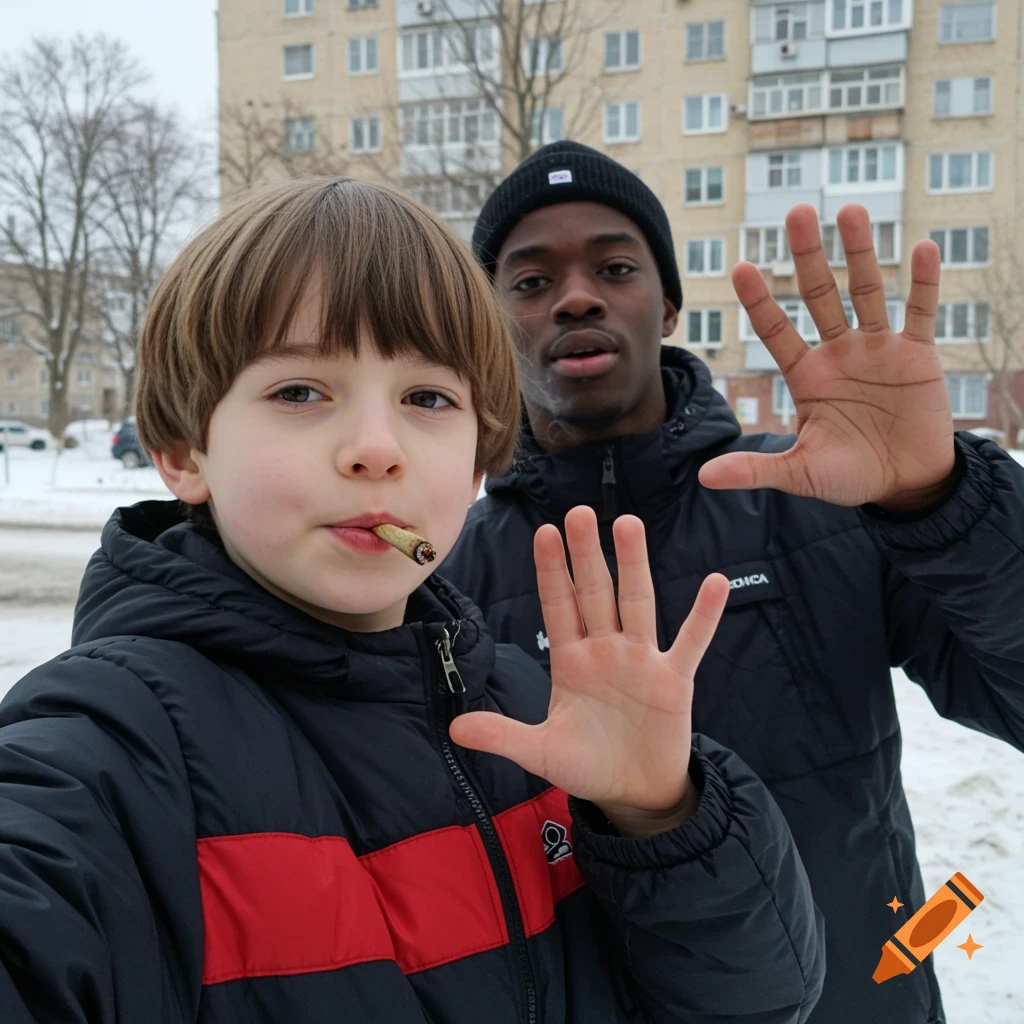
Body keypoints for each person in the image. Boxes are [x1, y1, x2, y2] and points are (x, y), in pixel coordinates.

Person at [0, 178, 824, 1023]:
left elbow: (757, 1006)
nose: (374, 449)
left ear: (478, 463)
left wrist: (660, 817)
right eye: (299, 392)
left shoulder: (533, 718)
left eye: (427, 398)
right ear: (183, 452)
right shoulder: (109, 752)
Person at [441, 141, 1024, 1024]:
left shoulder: (817, 500)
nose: (576, 296)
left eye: (615, 266)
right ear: (492, 323)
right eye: (529, 282)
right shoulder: (456, 574)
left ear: (667, 302)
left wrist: (938, 501)